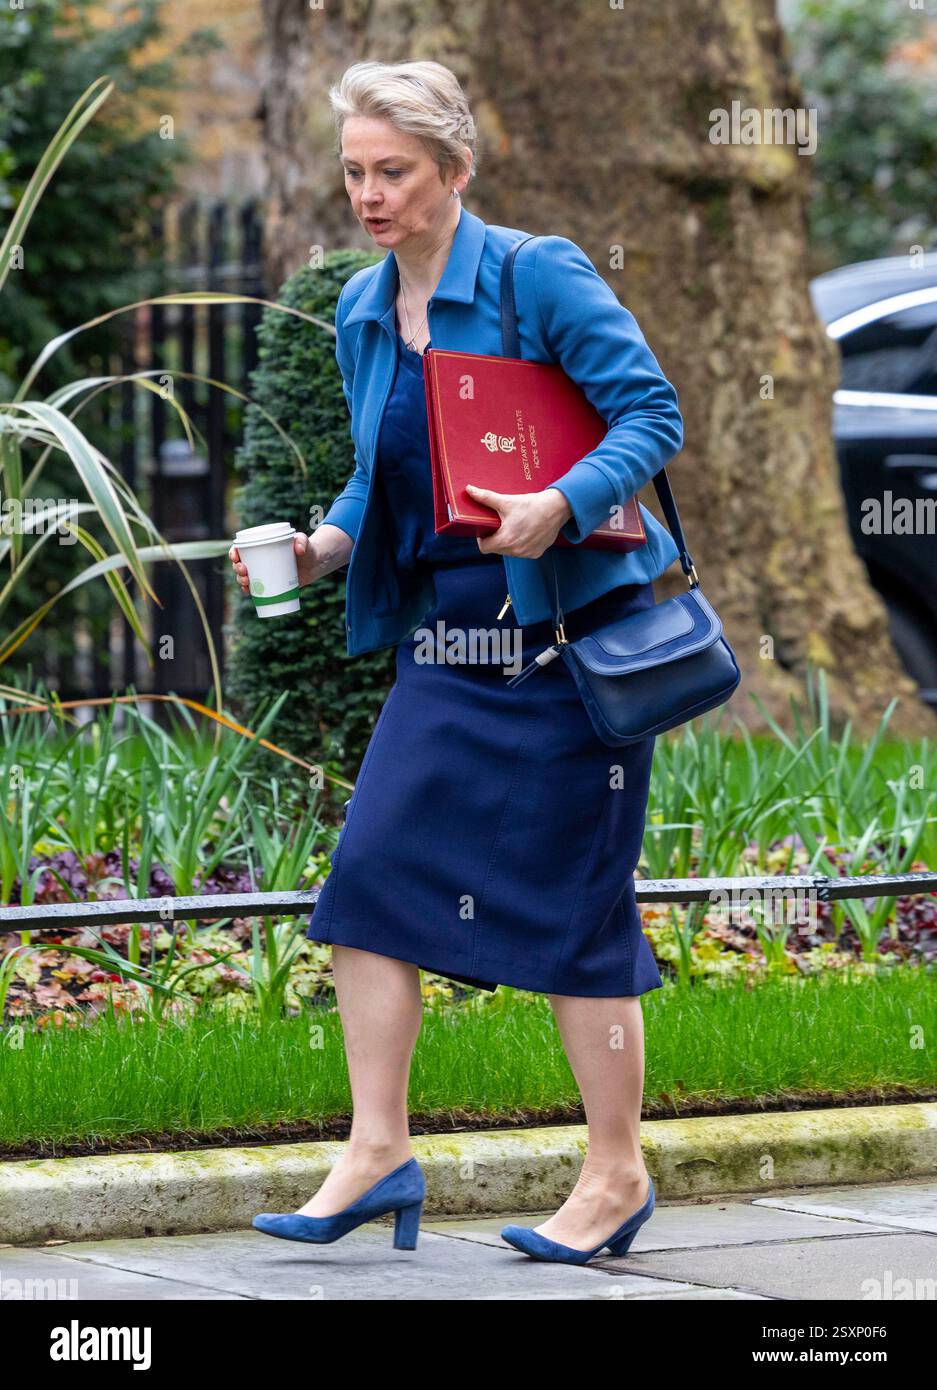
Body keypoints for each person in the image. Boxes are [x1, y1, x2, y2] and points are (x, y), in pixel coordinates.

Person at [231, 58, 683, 1264]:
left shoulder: (537, 274)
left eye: (395, 173)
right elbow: (384, 472)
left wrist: (559, 501)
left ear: (455, 172)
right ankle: (377, 1152)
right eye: (354, 173)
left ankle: (616, 1173)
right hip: (447, 640)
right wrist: (325, 544)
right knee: (368, 881)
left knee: (580, 910)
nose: (370, 195)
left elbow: (652, 415)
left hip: (568, 639)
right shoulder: (363, 305)